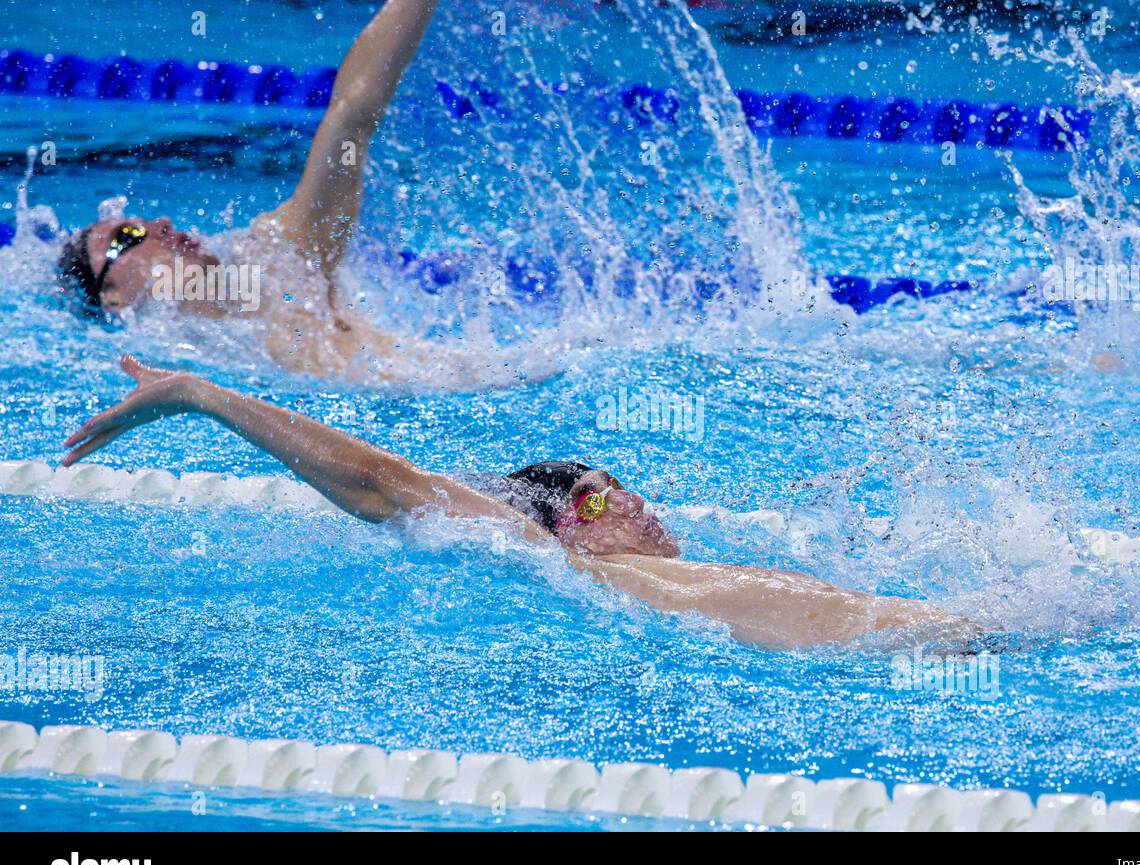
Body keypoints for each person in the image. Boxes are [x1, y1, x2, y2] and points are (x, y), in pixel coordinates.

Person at [60, 354, 978, 651]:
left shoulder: (655, 575)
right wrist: (206, 398)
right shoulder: (546, 559)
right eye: (590, 500)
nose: (631, 509)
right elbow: (386, 484)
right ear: (547, 528)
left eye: (619, 488)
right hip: (904, 643)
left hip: (914, 632)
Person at [54, 1, 474, 384]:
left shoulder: (281, 261)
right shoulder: (196, 374)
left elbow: (351, 115)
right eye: (127, 237)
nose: (160, 224)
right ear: (115, 299)